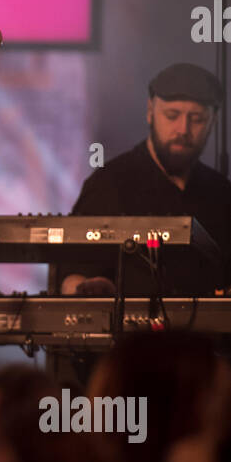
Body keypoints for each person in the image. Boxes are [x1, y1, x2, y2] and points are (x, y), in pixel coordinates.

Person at [61, 62, 231, 299]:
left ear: (213, 120)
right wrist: (88, 290)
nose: (183, 129)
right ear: (150, 111)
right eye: (172, 116)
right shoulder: (109, 184)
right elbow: (71, 274)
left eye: (197, 119)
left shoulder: (221, 193)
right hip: (130, 336)